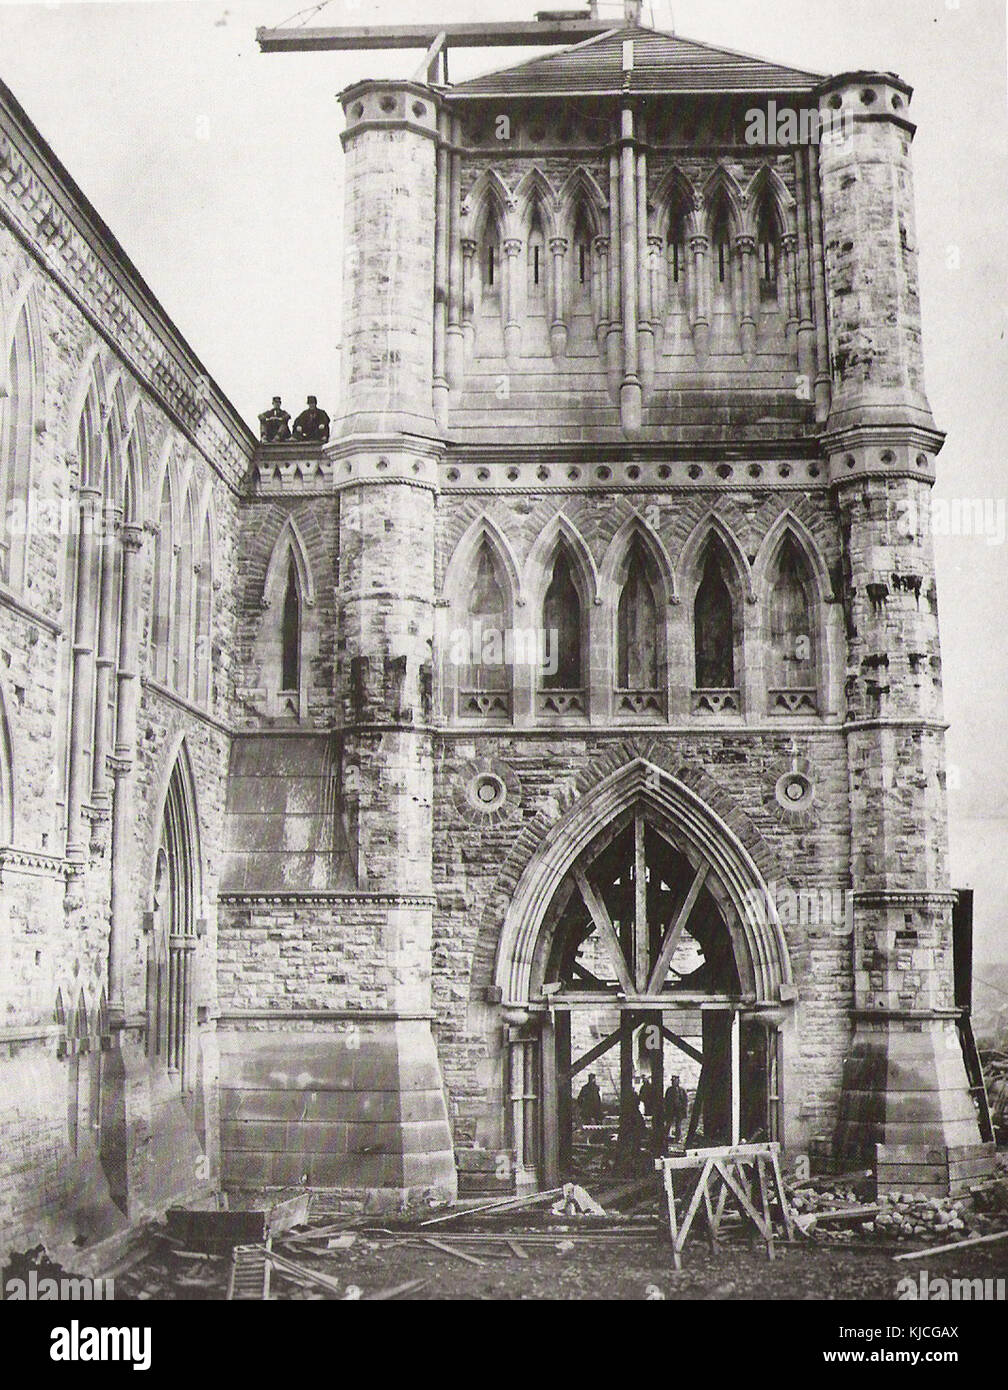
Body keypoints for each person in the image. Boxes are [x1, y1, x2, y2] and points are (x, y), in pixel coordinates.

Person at [664, 1074, 688, 1143]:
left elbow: (685, 1100)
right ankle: (666, 1136)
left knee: (678, 1124)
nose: (673, 1082)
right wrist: (666, 1109)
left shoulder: (681, 1090)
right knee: (668, 1123)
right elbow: (666, 1100)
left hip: (679, 1110)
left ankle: (677, 1138)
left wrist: (684, 1109)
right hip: (671, 1110)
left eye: (675, 1081)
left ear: (678, 1081)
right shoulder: (669, 1090)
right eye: (672, 1081)